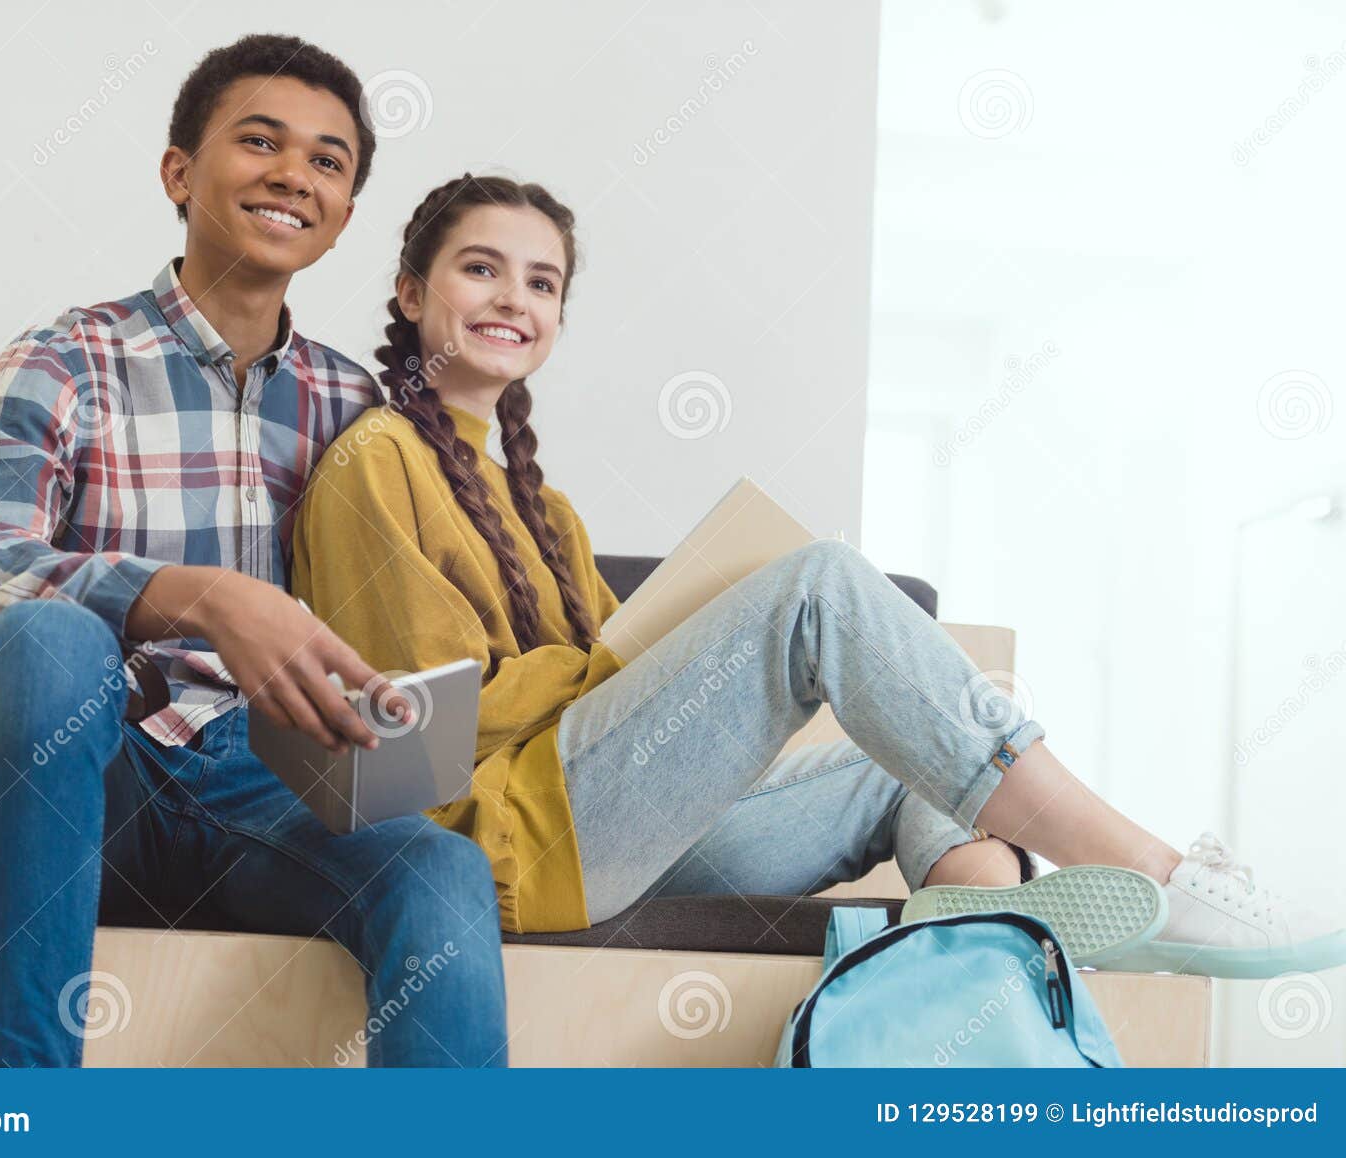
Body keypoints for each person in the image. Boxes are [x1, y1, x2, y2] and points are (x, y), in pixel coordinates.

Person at [289, 173, 1346, 980]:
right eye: (481, 269)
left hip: (615, 834)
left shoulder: (541, 501)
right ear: (411, 289)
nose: (512, 297)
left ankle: (989, 929)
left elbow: (610, 688)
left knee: (912, 761)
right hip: (504, 843)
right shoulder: (373, 460)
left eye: (541, 280)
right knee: (824, 581)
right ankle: (1160, 875)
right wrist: (639, 666)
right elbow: (420, 722)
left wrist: (653, 662)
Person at [0, 38, 508, 1068]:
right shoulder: (67, 358)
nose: (295, 173)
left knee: (439, 869)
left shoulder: (359, 411)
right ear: (179, 173)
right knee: (51, 645)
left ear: (340, 217)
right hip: (93, 779)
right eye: (259, 141)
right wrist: (192, 597)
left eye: (328, 162)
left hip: (268, 795)